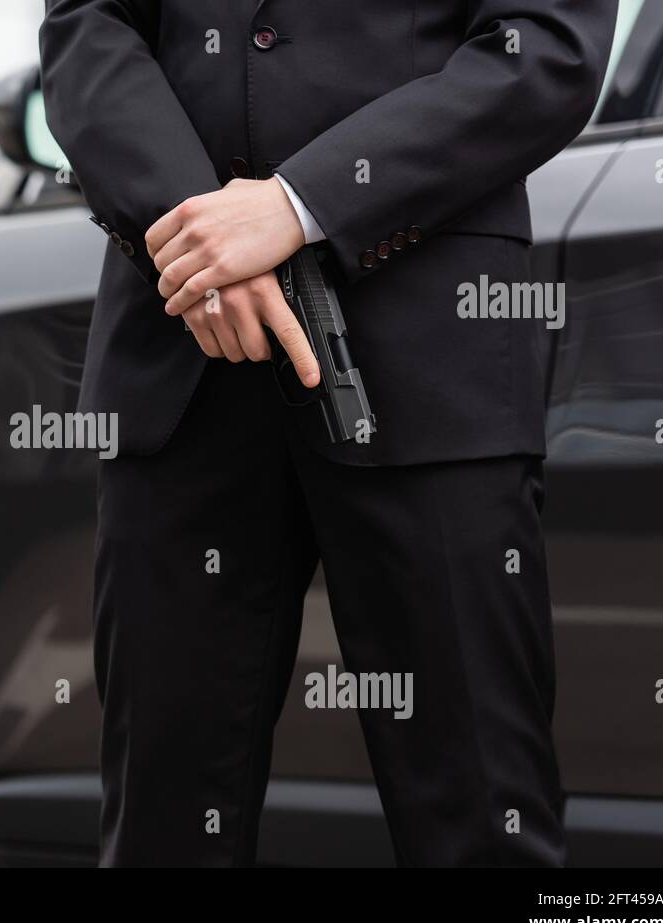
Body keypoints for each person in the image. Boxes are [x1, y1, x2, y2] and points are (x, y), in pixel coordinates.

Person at [39, 0, 619, 866]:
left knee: (481, 825)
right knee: (162, 831)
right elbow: (91, 24)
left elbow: (543, 47)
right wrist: (202, 240)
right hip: (183, 361)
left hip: (428, 366)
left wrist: (299, 204)